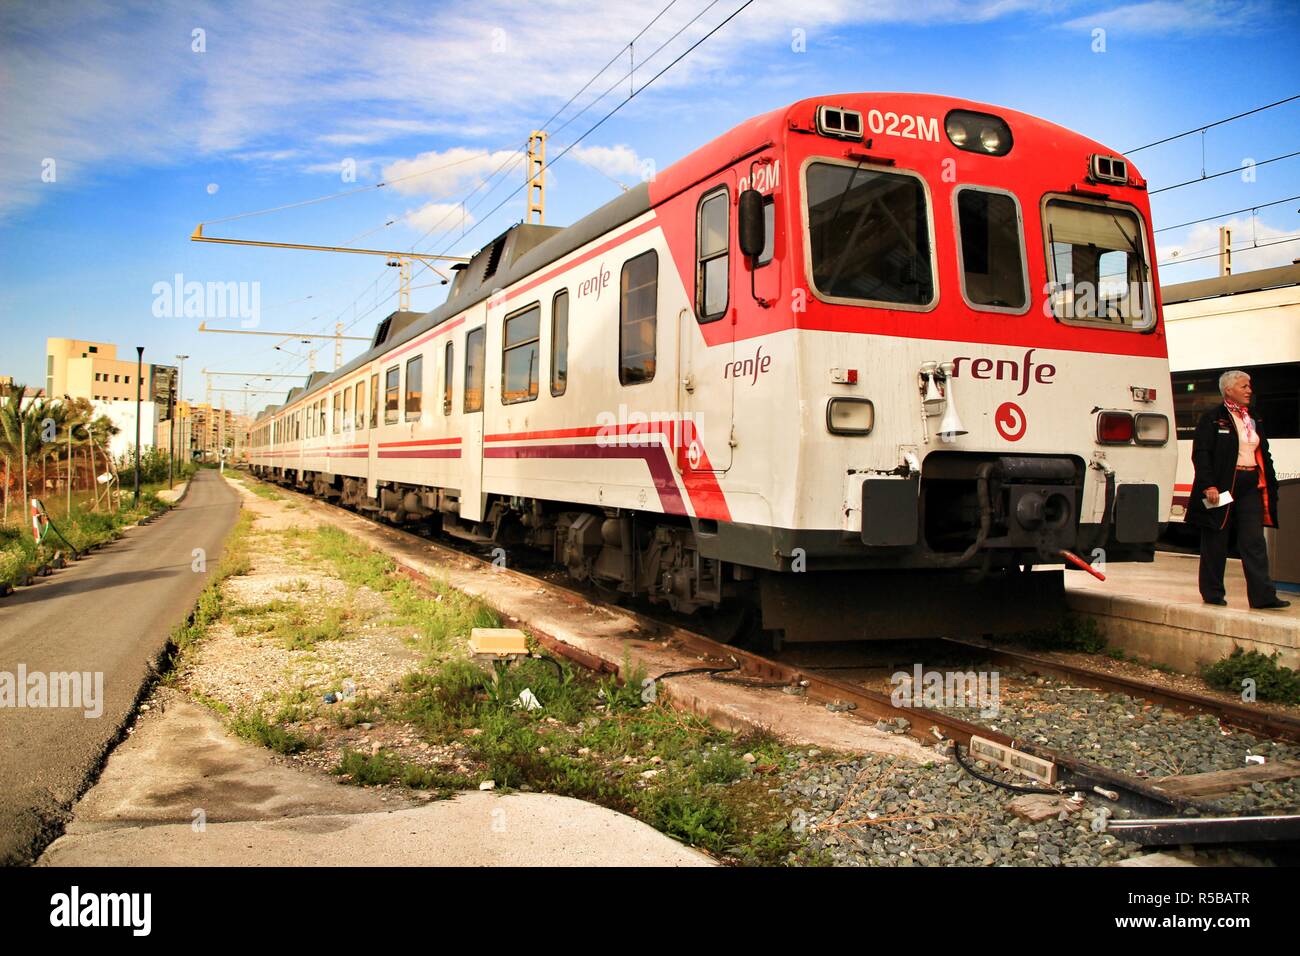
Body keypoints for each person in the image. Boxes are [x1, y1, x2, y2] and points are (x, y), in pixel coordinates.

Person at [1184, 370, 1289, 609]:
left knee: (1254, 541)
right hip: (1222, 487)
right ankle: (1212, 593)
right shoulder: (1211, 418)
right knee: (1216, 539)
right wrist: (1208, 484)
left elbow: (1264, 453)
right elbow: (1202, 454)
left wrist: (1269, 482)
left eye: (1249, 386)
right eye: (1244, 386)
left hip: (1250, 484)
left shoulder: (1254, 418)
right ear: (1229, 390)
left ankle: (1263, 597)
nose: (1249, 390)